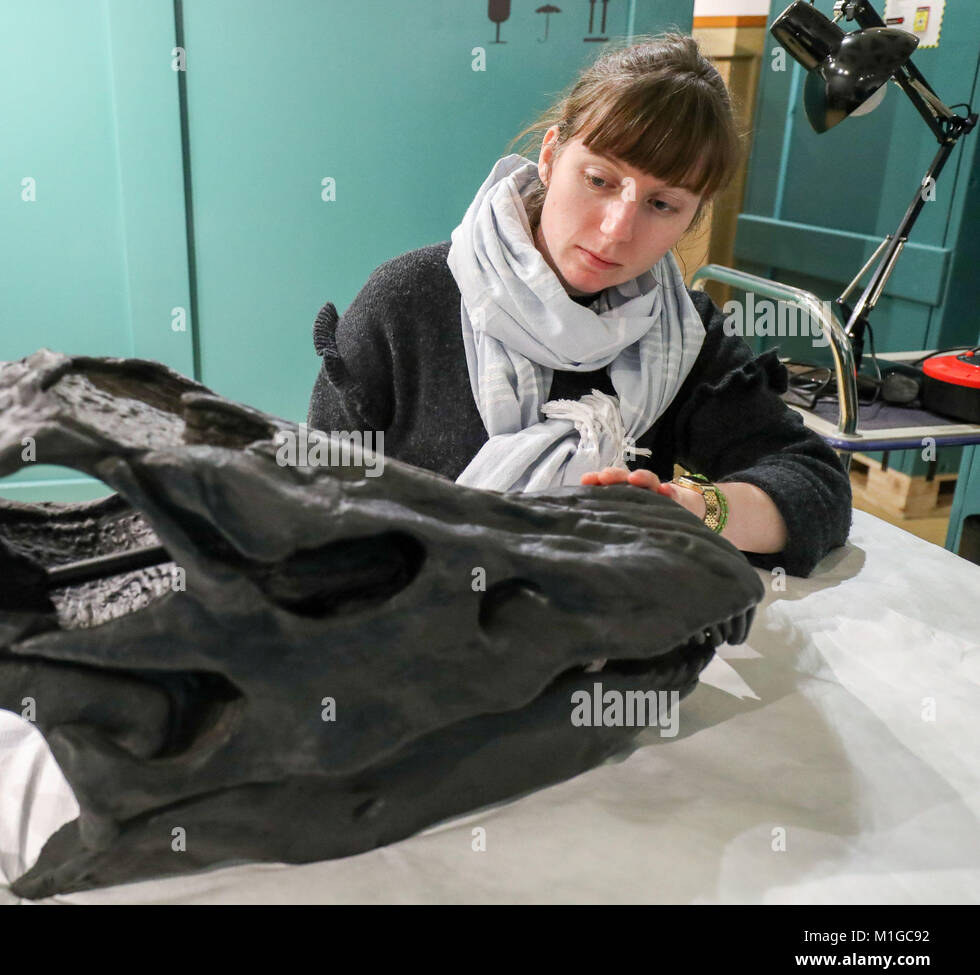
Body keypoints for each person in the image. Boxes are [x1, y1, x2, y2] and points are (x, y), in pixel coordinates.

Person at [306, 32, 851, 579]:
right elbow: (311, 492)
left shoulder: (684, 337)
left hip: (593, 638)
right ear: (549, 155)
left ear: (693, 217)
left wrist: (694, 510)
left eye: (662, 204)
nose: (617, 230)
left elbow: (816, 486)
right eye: (599, 180)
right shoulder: (409, 301)